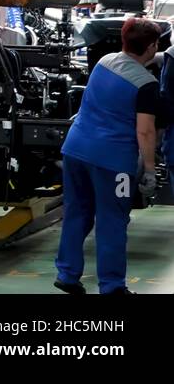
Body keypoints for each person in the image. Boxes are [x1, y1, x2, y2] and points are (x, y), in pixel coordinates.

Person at [54, 17, 163, 295]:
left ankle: (67, 275)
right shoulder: (146, 85)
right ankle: (112, 286)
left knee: (77, 213)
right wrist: (149, 170)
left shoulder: (104, 62)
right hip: (115, 166)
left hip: (76, 151)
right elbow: (146, 132)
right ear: (151, 46)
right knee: (113, 220)